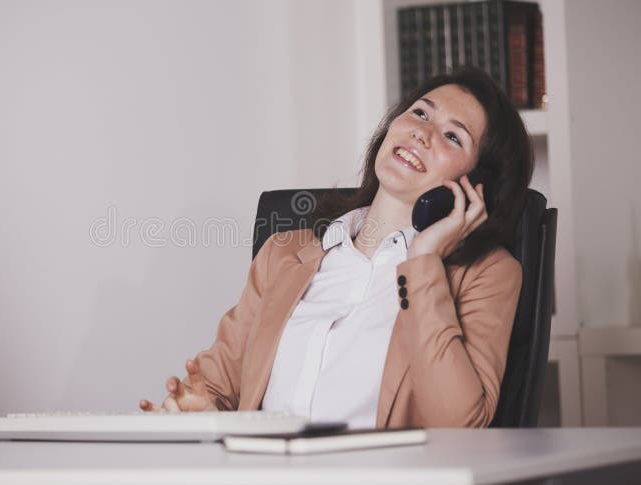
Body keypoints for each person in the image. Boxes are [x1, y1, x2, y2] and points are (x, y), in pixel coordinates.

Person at [140, 66, 534, 428]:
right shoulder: (283, 254)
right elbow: (216, 385)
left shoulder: (487, 274)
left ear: (476, 186)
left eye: (453, 136)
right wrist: (203, 412)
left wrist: (424, 261)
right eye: (420, 113)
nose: (422, 133)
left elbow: (459, 425)